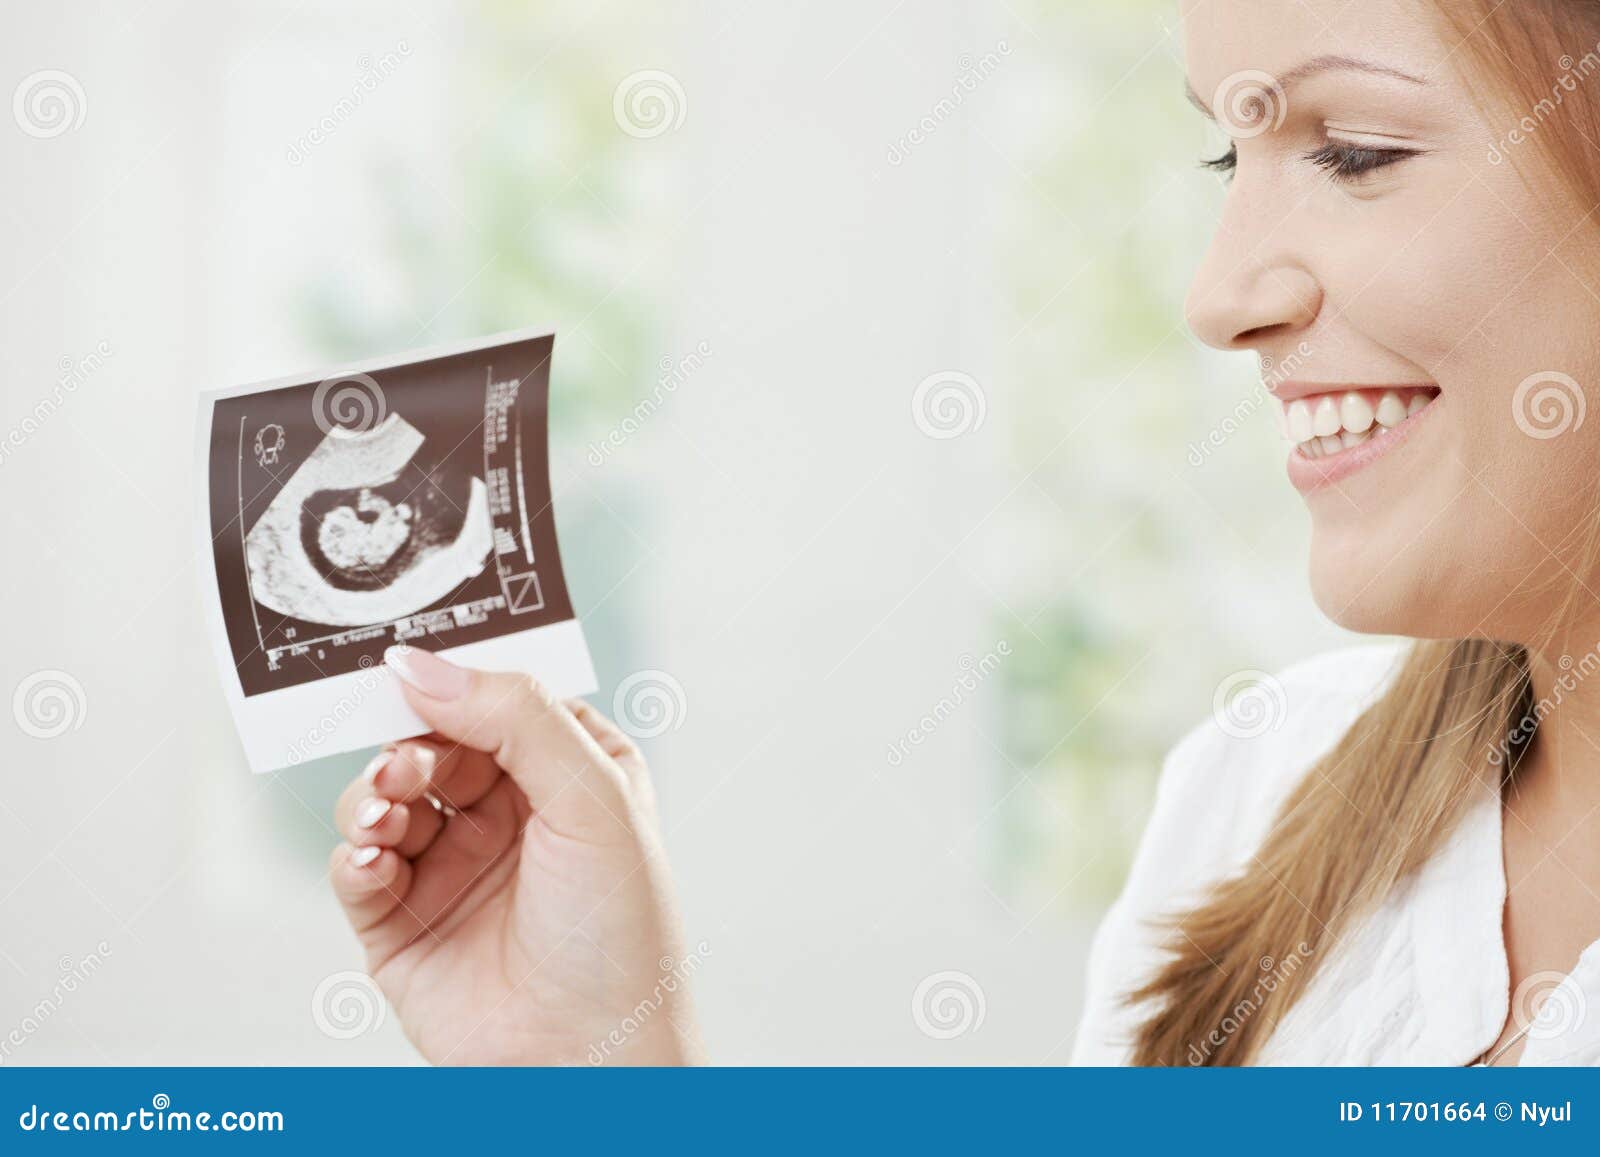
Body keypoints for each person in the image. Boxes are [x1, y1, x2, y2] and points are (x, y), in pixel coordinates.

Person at [331, 0, 1600, 1065]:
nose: (1217, 297)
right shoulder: (1255, 797)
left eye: (1359, 151)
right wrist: (601, 1074)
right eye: (1229, 157)